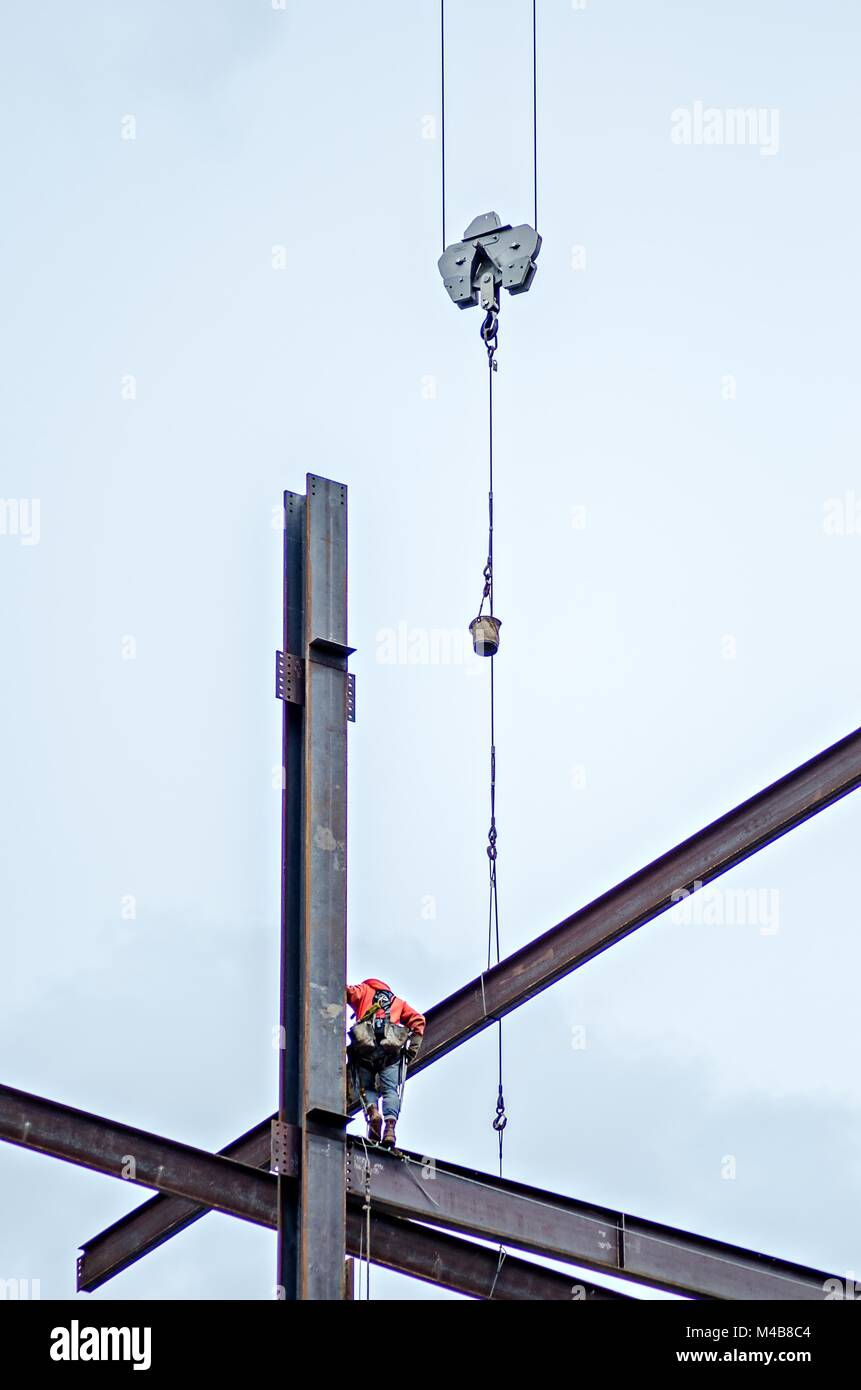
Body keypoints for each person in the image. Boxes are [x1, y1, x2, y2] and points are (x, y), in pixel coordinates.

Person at [346, 978, 426, 1148]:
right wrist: (412, 1049)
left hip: (365, 1050)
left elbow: (346, 991)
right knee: (390, 1090)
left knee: (366, 1088)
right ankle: (390, 1130)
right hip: (389, 1053)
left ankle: (373, 1113)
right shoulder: (397, 1002)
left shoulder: (364, 990)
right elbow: (419, 1020)